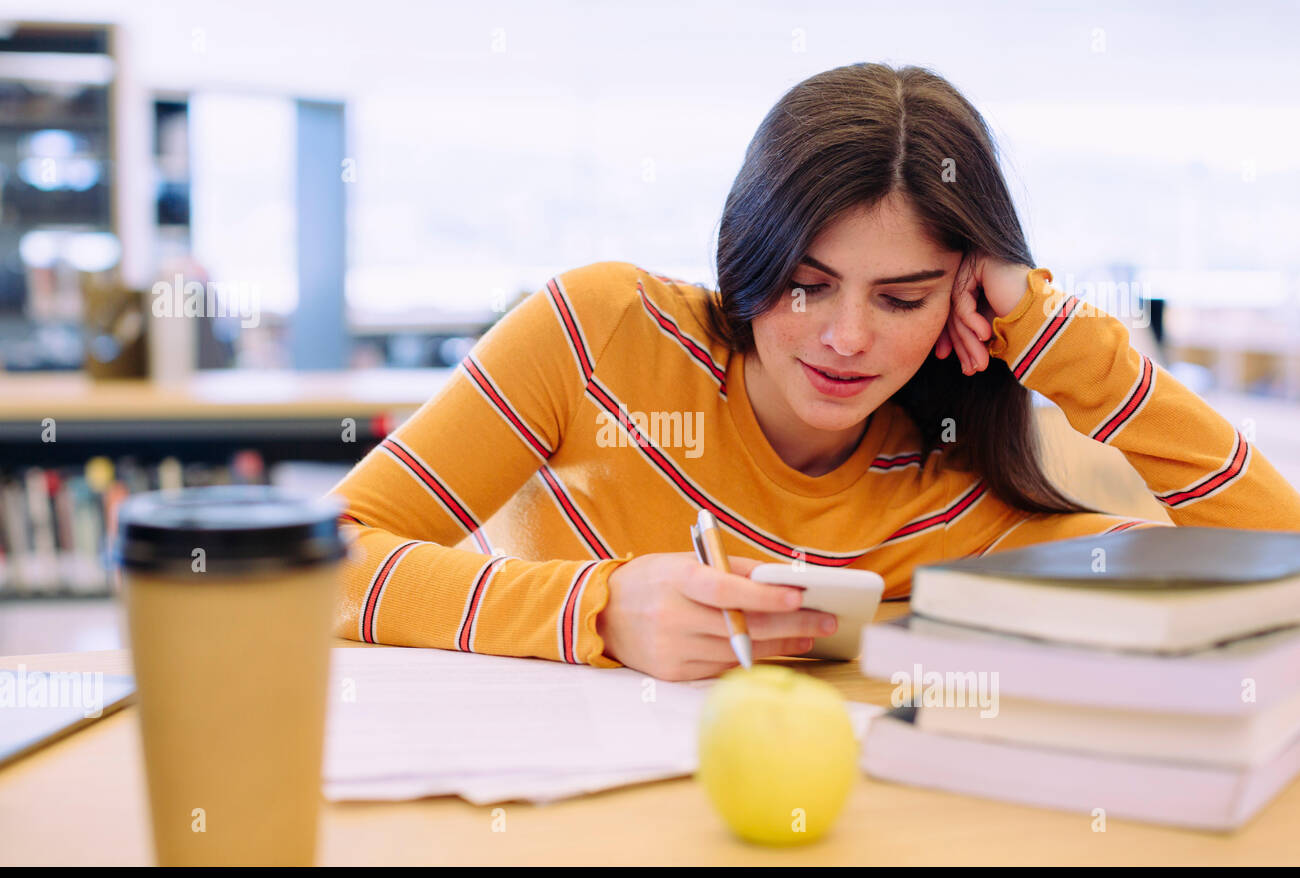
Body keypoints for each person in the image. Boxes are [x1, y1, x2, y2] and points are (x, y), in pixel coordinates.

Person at [327, 62, 1300, 681]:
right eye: (805, 283)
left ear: (960, 303)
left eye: (901, 297)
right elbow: (319, 561)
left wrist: (1052, 332)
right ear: (746, 256)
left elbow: (1281, 563)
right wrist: (596, 608)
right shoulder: (598, 334)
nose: (843, 337)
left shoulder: (969, 504)